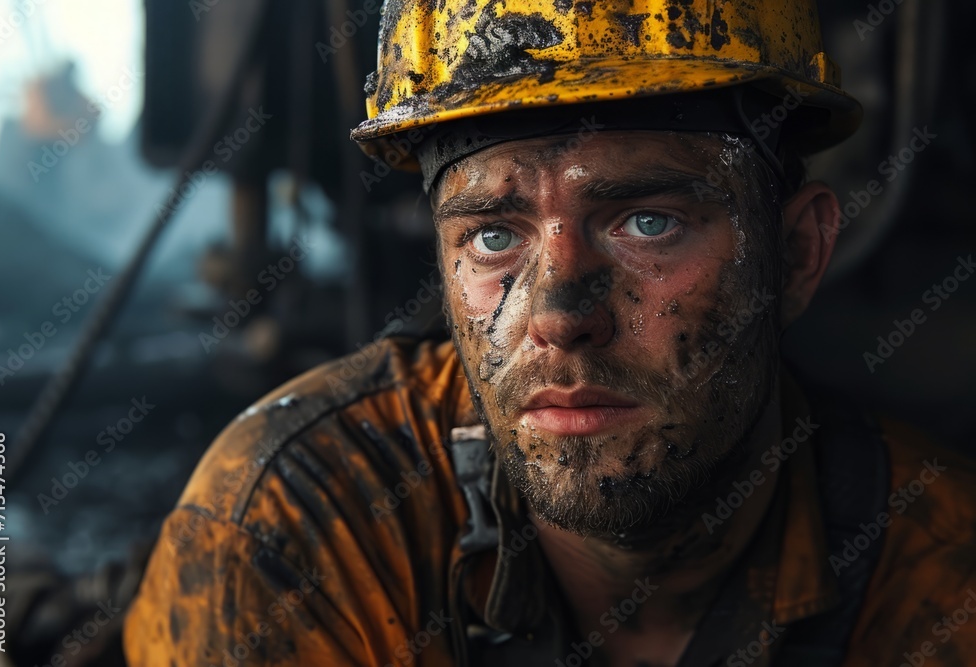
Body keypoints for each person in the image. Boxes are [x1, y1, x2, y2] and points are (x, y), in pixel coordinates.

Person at [124, 1, 976, 665]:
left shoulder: (943, 573)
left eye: (647, 223)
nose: (562, 317)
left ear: (794, 253)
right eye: (494, 235)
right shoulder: (291, 539)